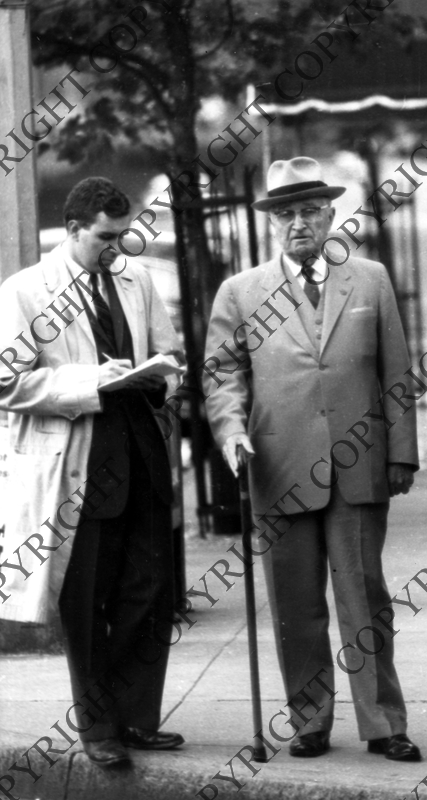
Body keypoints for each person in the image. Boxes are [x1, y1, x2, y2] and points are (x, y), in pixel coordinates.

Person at [204, 157, 421, 761]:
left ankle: (384, 723)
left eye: (308, 210)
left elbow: (397, 373)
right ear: (273, 222)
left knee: (364, 597)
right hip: (278, 465)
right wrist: (229, 430)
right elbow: (221, 373)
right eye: (285, 214)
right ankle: (310, 720)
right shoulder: (241, 292)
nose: (297, 223)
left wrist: (401, 453)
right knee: (296, 605)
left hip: (358, 466)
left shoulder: (370, 279)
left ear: (331, 214)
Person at [0, 177, 184, 767]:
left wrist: (165, 376)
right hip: (78, 464)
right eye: (105, 237)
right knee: (88, 598)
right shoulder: (26, 292)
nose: (116, 248)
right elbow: (7, 380)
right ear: (74, 228)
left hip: (142, 457)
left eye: (123, 235)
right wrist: (92, 381)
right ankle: (99, 726)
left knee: (150, 590)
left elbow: (170, 353)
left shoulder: (139, 280)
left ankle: (137, 717)